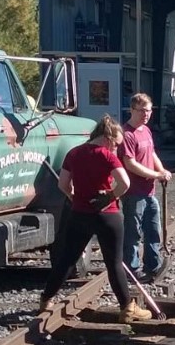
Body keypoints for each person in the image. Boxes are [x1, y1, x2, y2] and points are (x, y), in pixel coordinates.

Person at [39, 115, 151, 323]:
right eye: (116, 144)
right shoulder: (107, 156)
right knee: (114, 263)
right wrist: (110, 196)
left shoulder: (74, 153)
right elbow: (125, 183)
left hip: (80, 214)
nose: (116, 148)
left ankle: (46, 299)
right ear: (108, 138)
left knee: (67, 259)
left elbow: (63, 184)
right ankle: (127, 308)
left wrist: (73, 196)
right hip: (108, 216)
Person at [119, 93, 171, 281]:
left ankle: (153, 266)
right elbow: (130, 164)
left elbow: (152, 153)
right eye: (142, 111)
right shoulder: (127, 134)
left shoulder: (146, 131)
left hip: (149, 191)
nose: (146, 114)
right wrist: (156, 175)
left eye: (148, 111)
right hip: (134, 192)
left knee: (153, 230)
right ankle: (131, 270)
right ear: (132, 110)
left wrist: (162, 170)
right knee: (133, 233)